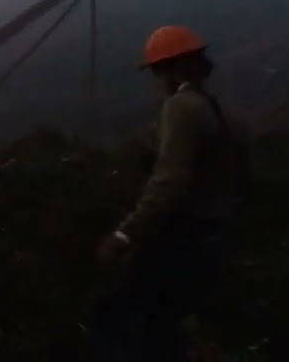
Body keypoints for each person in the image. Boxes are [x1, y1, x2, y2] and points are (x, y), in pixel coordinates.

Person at [90, 25, 249, 361]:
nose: (156, 81)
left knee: (123, 320)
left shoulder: (181, 108)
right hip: (212, 238)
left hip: (182, 239)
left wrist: (123, 235)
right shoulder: (217, 111)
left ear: (172, 70)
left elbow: (168, 183)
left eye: (157, 72)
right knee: (165, 327)